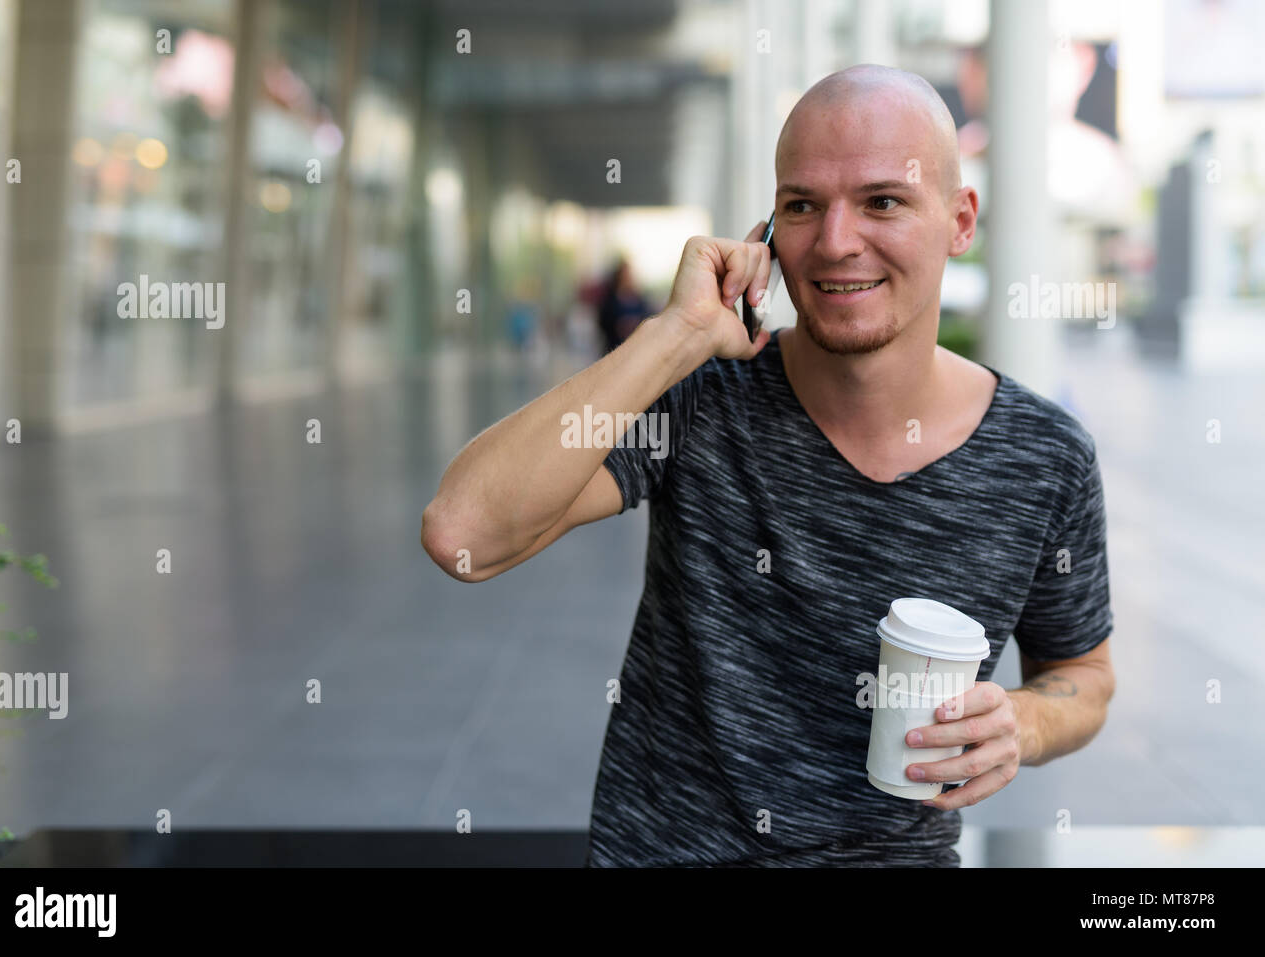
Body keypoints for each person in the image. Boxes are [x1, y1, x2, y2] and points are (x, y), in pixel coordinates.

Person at [421, 65, 1115, 867]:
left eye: (882, 200)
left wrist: (1023, 724)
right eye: (802, 206)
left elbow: (1082, 672)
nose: (835, 241)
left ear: (960, 220)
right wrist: (675, 335)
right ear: (766, 231)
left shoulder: (1043, 455)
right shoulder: (699, 401)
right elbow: (462, 531)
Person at [595, 258, 651, 355]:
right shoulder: (610, 299)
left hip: (634, 350)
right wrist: (618, 326)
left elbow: (647, 317)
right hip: (613, 349)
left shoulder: (639, 299)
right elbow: (602, 321)